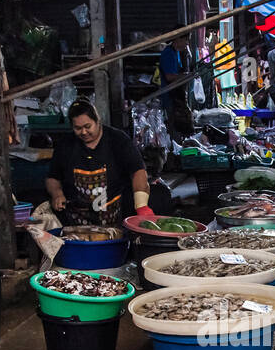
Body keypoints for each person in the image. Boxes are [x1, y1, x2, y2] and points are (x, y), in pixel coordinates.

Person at [46, 98, 152, 226]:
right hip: (77, 219)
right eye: (77, 128)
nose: (83, 132)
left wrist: (141, 206)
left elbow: (138, 171)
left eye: (87, 126)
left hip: (113, 214)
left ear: (98, 121)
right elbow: (53, 177)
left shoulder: (118, 140)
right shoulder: (65, 145)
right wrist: (57, 194)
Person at [158, 32, 193, 135]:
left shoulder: (176, 52)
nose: (187, 43)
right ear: (178, 39)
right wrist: (187, 76)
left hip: (175, 96)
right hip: (169, 96)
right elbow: (169, 76)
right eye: (185, 40)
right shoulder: (168, 53)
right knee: (174, 126)